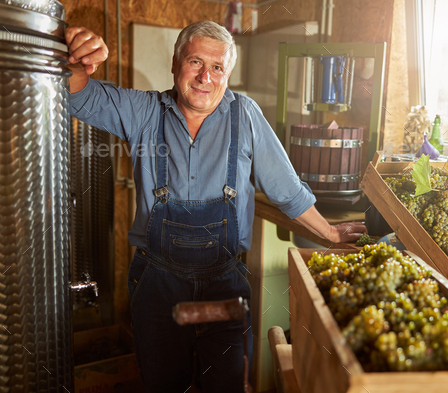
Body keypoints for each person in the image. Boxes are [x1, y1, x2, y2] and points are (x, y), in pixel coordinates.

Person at [66, 20, 366, 393]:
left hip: (224, 285)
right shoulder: (143, 110)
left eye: (218, 67)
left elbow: (286, 189)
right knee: (163, 383)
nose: (205, 76)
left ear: (228, 74)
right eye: (195, 62)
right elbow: (78, 95)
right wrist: (78, 61)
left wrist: (331, 233)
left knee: (226, 384)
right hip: (159, 286)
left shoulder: (246, 115)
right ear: (175, 65)